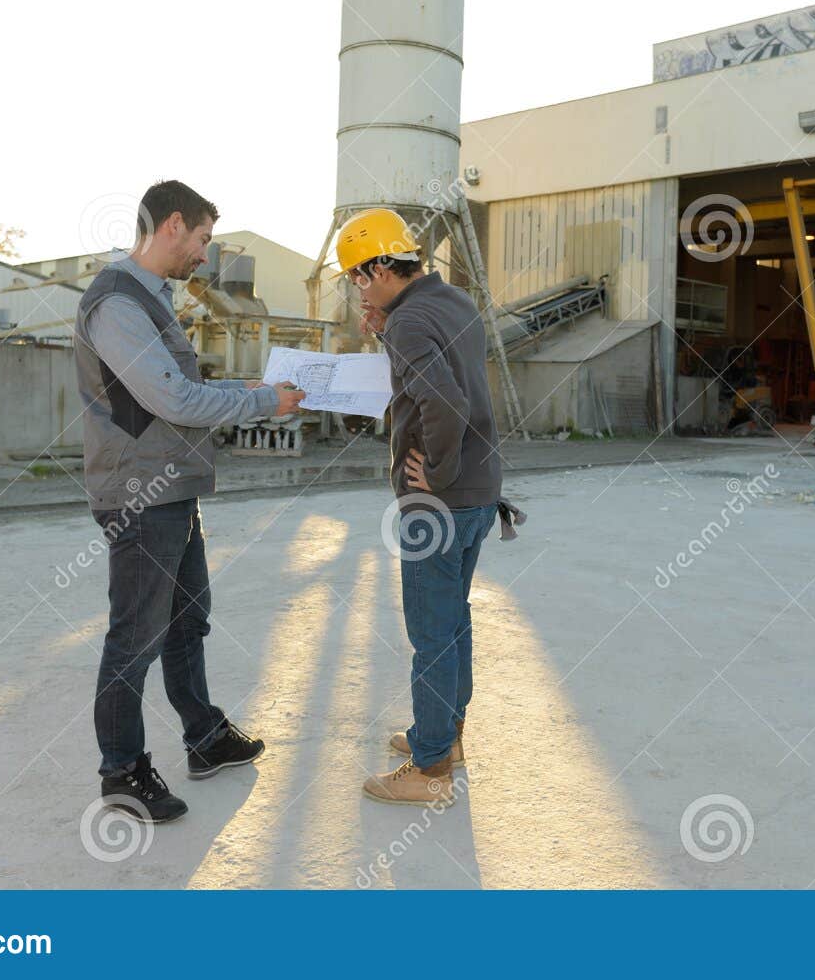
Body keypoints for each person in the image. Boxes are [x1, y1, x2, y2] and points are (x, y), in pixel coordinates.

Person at [73, 179, 308, 823]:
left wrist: (252, 386)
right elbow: (172, 400)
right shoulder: (118, 304)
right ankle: (121, 774)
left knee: (186, 623)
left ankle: (204, 737)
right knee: (134, 639)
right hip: (140, 496)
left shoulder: (152, 300)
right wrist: (262, 401)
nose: (205, 255)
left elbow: (176, 387)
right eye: (203, 239)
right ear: (173, 224)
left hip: (169, 490)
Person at [338, 207, 502, 806]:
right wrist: (386, 327)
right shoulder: (451, 301)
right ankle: (444, 736)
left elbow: (447, 404)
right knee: (453, 620)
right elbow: (449, 376)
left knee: (431, 632)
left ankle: (430, 773)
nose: (359, 287)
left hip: (441, 506)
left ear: (382, 265)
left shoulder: (410, 324)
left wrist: (434, 473)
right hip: (481, 494)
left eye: (359, 275)